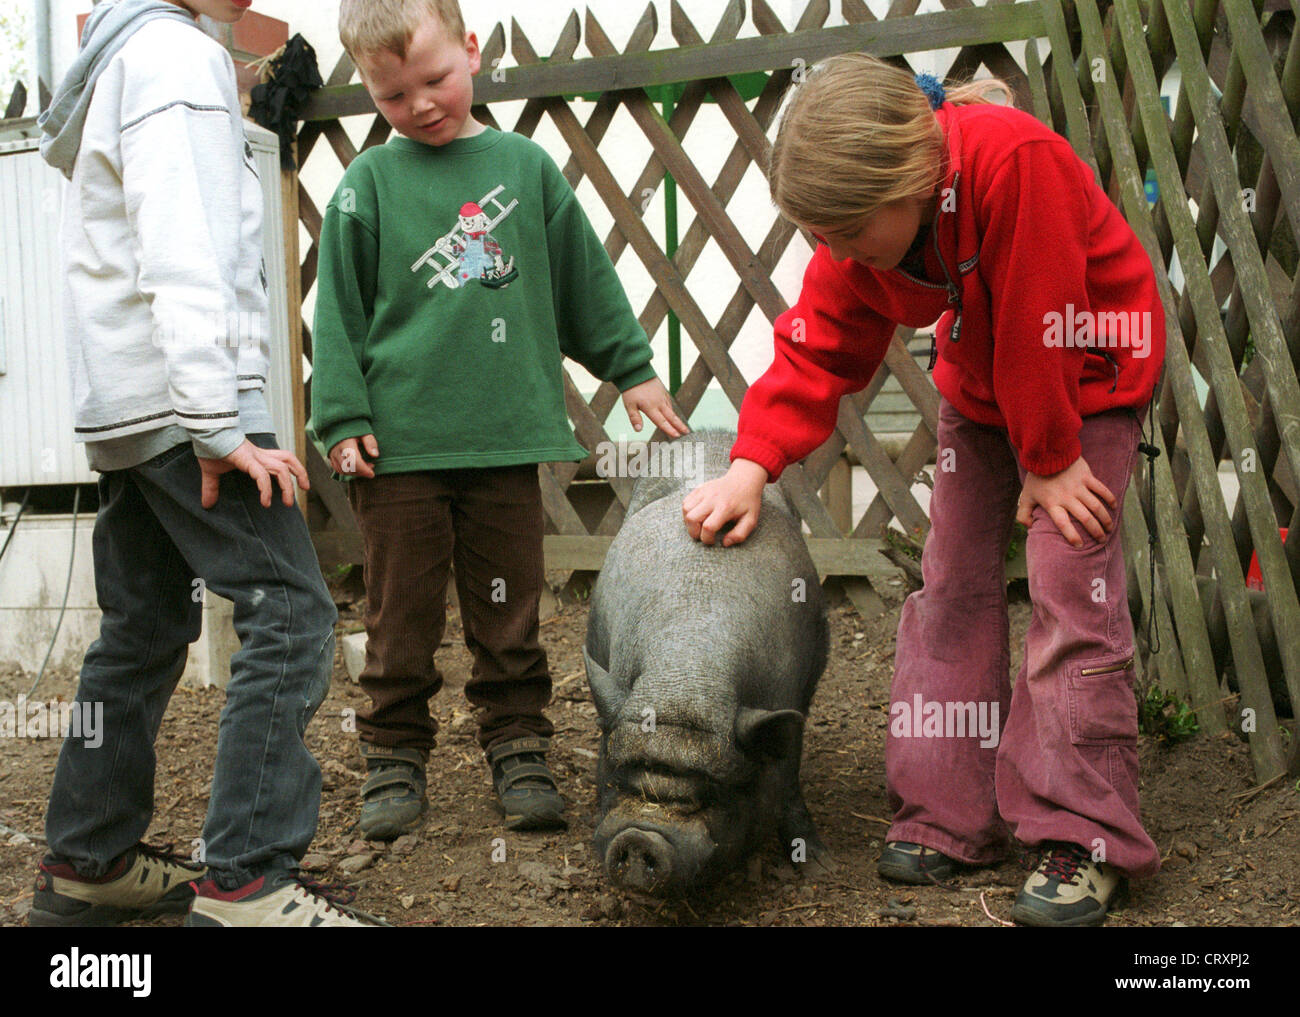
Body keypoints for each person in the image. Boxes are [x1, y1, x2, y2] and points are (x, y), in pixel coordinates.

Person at [682, 54, 1166, 927]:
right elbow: (821, 341)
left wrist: (1049, 458)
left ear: (906, 181)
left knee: (1070, 584)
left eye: (846, 232)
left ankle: (1082, 833)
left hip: (1084, 381)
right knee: (949, 583)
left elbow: (1040, 317)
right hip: (986, 388)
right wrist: (752, 462)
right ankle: (946, 813)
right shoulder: (862, 232)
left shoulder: (1013, 162)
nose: (835, 252)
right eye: (823, 237)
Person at [31, 0, 380, 927]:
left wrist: (227, 414)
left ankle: (88, 861)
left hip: (132, 405)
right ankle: (245, 880)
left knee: (143, 623)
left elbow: (182, 258)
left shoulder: (131, 52)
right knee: (292, 610)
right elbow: (182, 256)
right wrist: (218, 422)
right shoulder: (174, 57)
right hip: (182, 409)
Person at [313, 0, 686, 840]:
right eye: (392, 96)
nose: (420, 106)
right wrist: (340, 415)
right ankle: (394, 758)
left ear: (472, 52)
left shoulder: (525, 169)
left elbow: (582, 277)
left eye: (435, 79)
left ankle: (518, 744)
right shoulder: (366, 186)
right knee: (398, 616)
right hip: (398, 452)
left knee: (509, 609)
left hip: (506, 441)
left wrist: (630, 367)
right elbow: (333, 313)